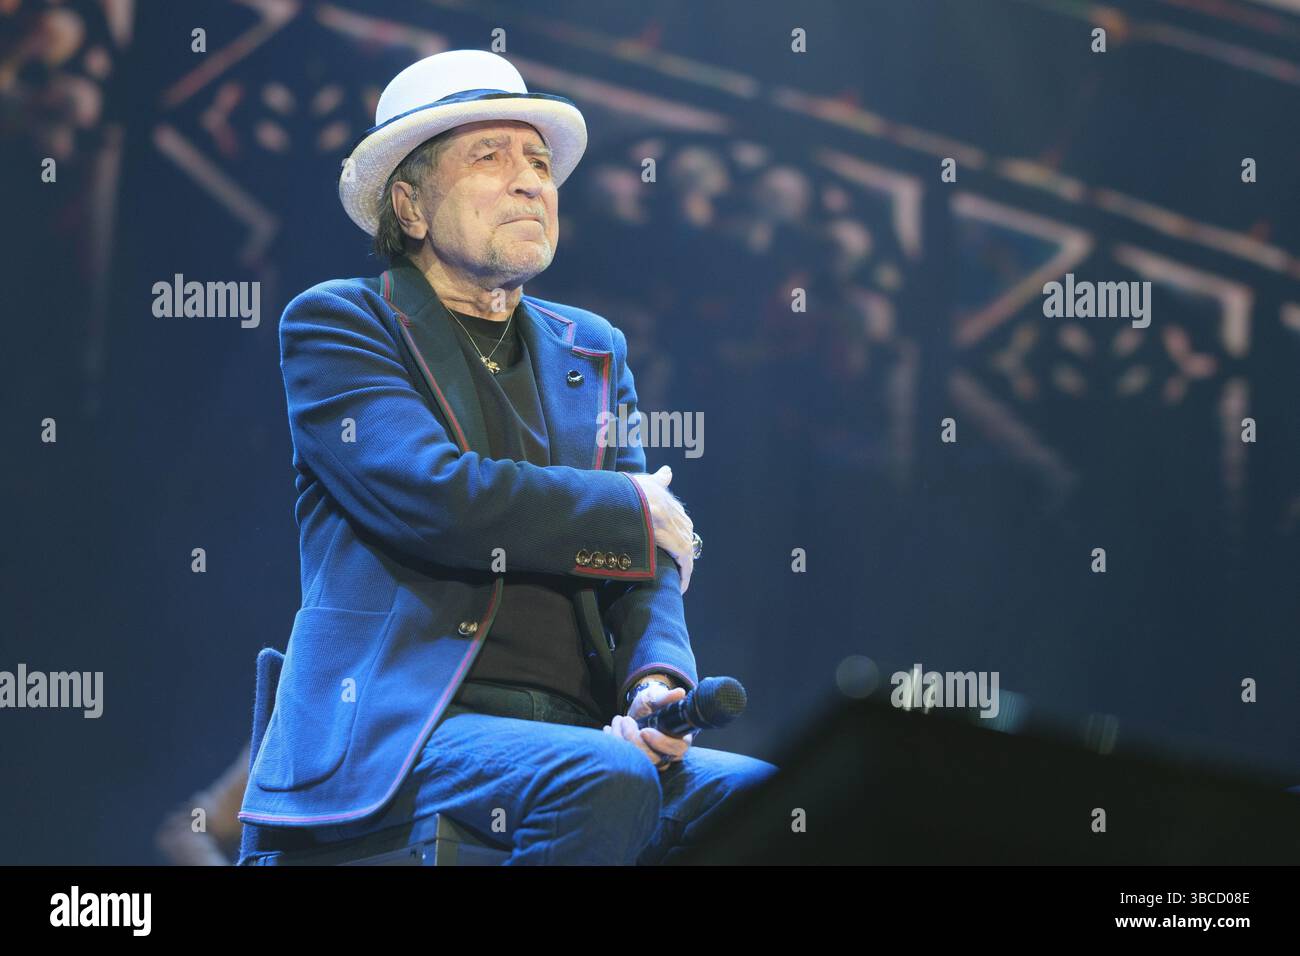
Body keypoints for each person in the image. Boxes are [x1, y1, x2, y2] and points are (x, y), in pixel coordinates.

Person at [236, 50, 777, 865]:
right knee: (605, 778)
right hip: (406, 729)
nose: (531, 181)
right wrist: (626, 510)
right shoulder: (342, 324)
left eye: (538, 162)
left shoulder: (592, 347)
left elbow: (648, 562)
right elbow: (435, 496)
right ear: (410, 207)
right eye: (490, 157)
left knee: (765, 799)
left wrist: (655, 683)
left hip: (579, 730)